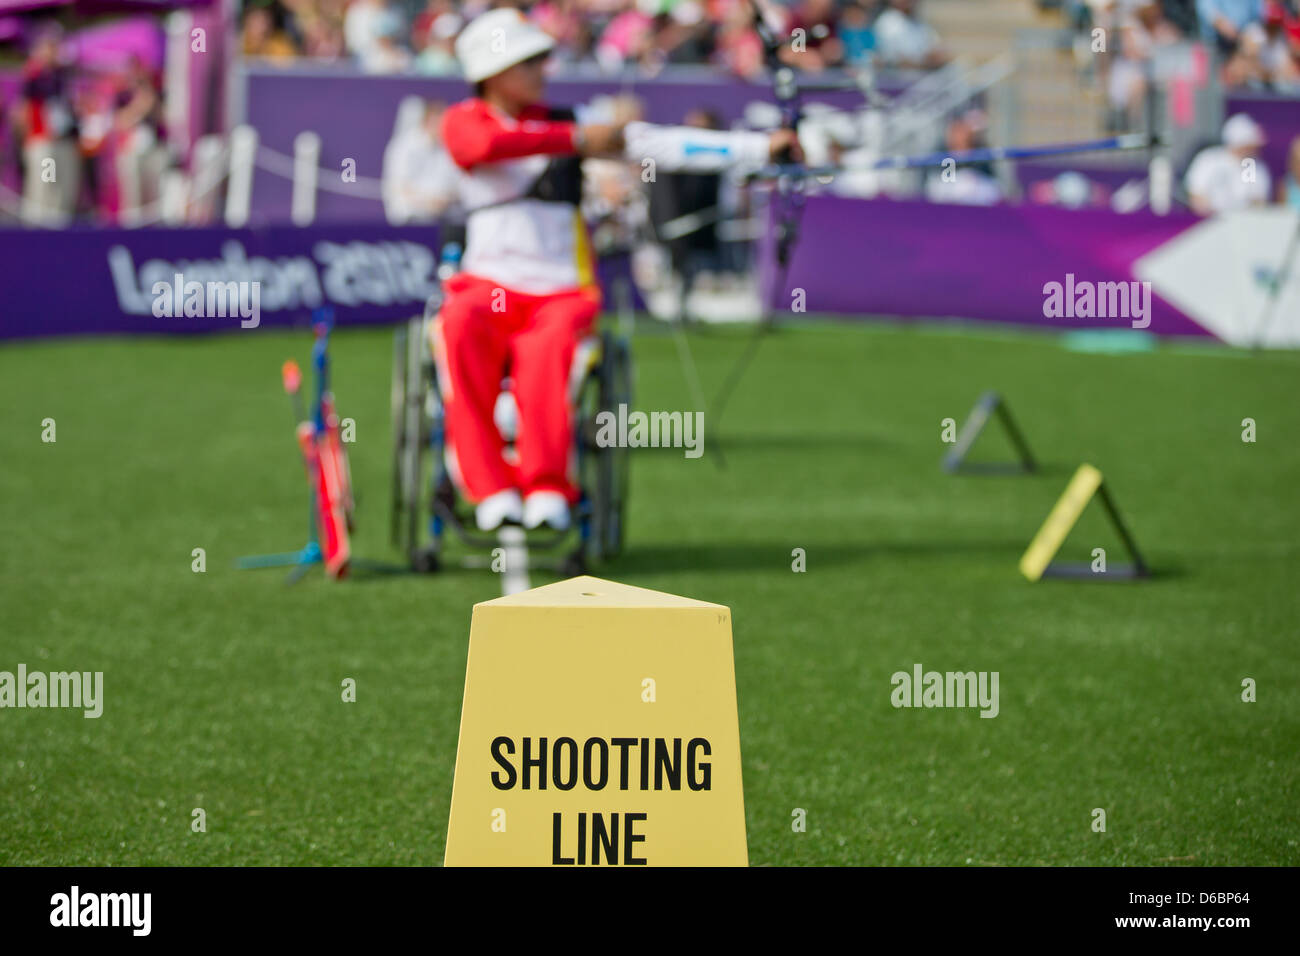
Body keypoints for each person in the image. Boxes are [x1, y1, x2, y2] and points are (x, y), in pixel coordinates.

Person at [438, 7, 799, 532]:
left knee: (548, 355)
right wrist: (576, 141)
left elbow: (660, 143)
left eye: (541, 58)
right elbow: (478, 147)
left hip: (558, 291)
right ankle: (490, 485)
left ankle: (545, 485)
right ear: (493, 73)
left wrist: (758, 148)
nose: (543, 69)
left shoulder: (573, 120)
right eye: (528, 61)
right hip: (485, 286)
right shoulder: (468, 118)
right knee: (458, 327)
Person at [1184, 113, 1272, 215]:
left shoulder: (1257, 167)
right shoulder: (1209, 159)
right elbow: (1196, 196)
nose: (1255, 149)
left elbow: (1259, 202)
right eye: (1250, 144)